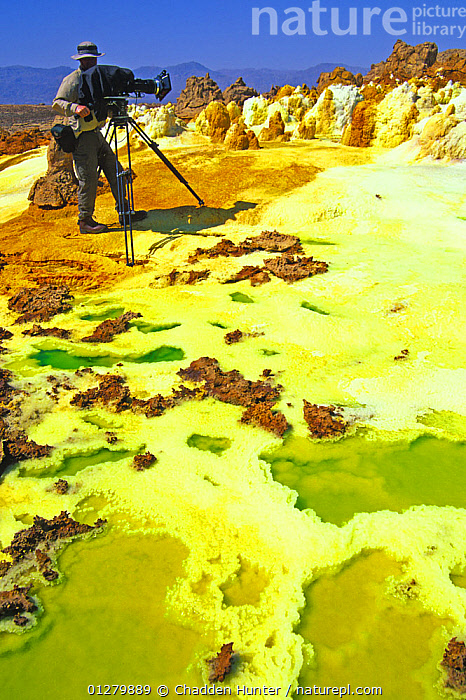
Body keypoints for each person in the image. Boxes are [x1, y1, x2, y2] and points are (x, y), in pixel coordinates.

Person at [52, 41, 147, 234]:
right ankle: (85, 221)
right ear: (80, 61)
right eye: (86, 59)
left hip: (97, 134)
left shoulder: (99, 78)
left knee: (115, 170)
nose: (90, 62)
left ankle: (125, 211)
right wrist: (75, 108)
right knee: (89, 179)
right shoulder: (73, 80)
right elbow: (57, 103)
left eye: (93, 58)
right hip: (82, 137)